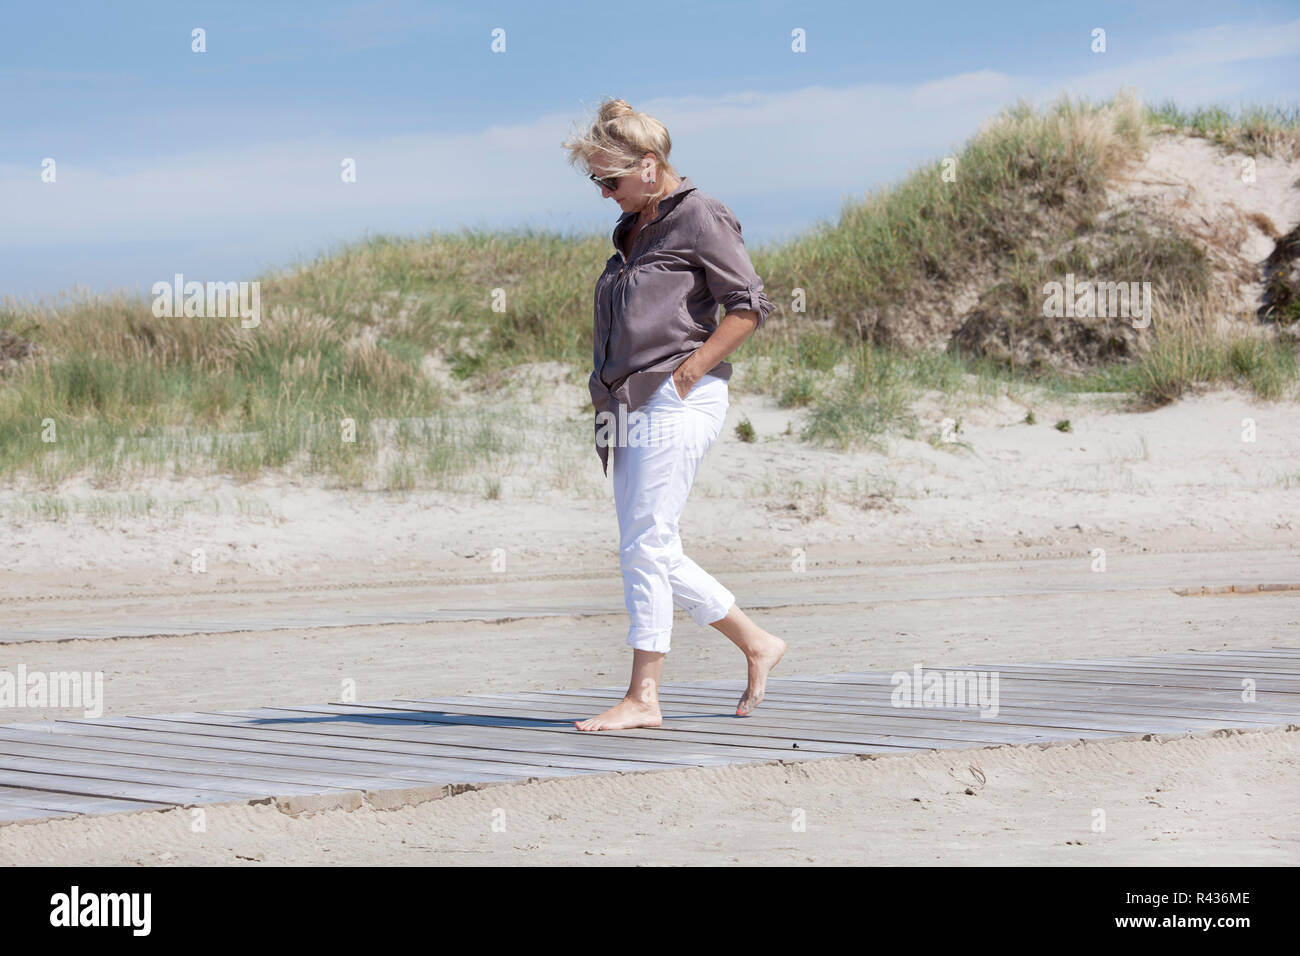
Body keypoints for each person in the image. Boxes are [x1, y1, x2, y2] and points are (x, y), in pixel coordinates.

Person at [560, 98, 786, 732]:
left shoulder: (701, 215)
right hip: (625, 400)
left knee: (647, 543)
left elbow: (748, 304)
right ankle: (756, 642)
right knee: (646, 548)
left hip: (677, 393)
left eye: (612, 180)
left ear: (651, 166)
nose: (605, 194)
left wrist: (690, 370)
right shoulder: (637, 224)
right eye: (597, 182)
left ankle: (644, 697)